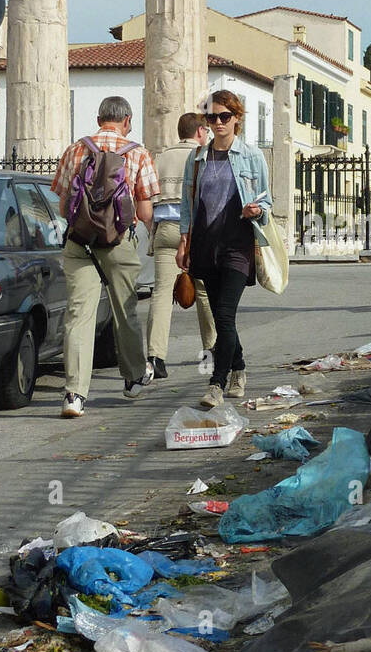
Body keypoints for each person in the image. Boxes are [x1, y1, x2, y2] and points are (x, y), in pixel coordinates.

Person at [51, 95, 159, 418]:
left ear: (99, 119)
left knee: (78, 315)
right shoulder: (137, 153)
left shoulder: (76, 149)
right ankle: (133, 378)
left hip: (80, 243)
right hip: (118, 243)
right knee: (125, 309)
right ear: (127, 121)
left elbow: (62, 206)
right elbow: (144, 209)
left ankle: (74, 394)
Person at [175, 90, 272, 408]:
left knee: (226, 314)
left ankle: (216, 383)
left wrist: (257, 210)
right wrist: (184, 240)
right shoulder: (197, 157)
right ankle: (239, 368)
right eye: (211, 117)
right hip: (205, 245)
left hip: (238, 245)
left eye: (224, 117)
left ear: (237, 119)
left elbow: (266, 200)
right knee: (220, 317)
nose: (217, 122)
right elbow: (188, 204)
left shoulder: (252, 156)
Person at [147, 112, 216, 378]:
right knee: (203, 292)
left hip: (166, 228)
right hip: (197, 231)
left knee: (162, 294)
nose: (208, 134)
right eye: (206, 130)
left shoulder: (160, 158)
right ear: (199, 131)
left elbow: (148, 198)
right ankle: (211, 352)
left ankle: (156, 357)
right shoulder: (203, 155)